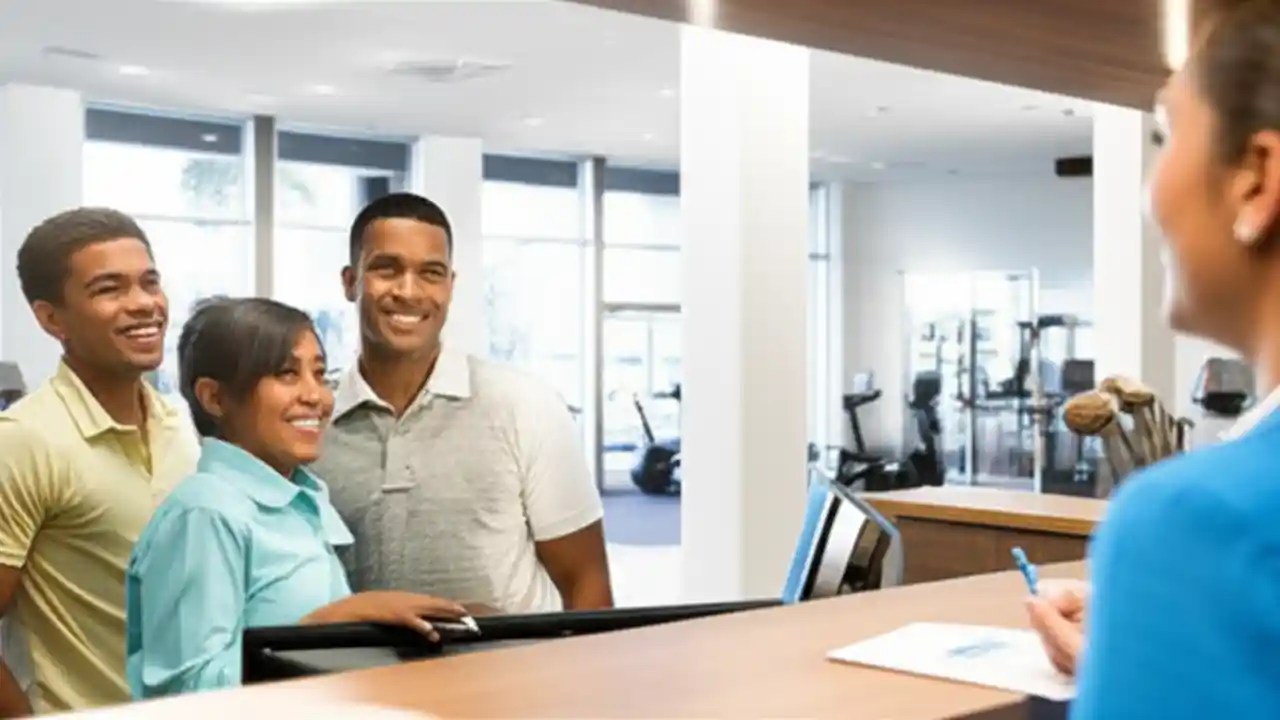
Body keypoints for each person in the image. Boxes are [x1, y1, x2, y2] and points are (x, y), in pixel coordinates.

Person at [1027, 2, 1280, 716]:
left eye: (1165, 136)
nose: (1150, 194)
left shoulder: (1193, 524)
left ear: (1256, 179)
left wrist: (1174, 603)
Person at [126, 297, 467, 698]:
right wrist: (333, 623)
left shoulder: (300, 501)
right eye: (287, 374)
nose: (316, 396)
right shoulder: (205, 513)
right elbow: (185, 694)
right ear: (215, 399)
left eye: (319, 374)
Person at [312, 193, 613, 614]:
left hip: (507, 676)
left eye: (430, 273)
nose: (409, 291)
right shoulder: (309, 422)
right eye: (387, 269)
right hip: (355, 677)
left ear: (451, 286)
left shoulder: (522, 405)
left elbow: (587, 582)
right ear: (350, 281)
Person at [0, 208, 199, 716]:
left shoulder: (178, 425)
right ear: (51, 318)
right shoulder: (24, 441)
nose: (143, 305)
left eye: (149, 282)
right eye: (109, 289)